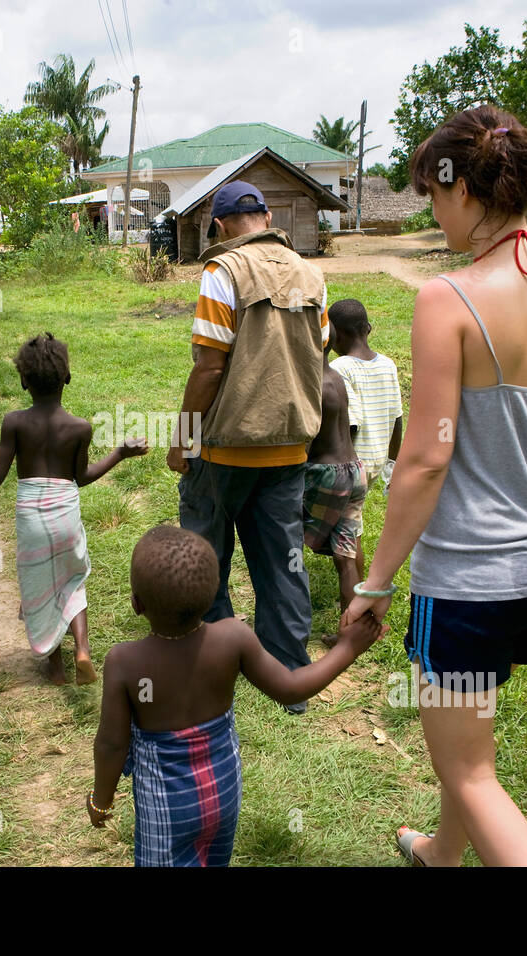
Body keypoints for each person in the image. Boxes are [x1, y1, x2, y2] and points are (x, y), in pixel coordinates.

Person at [340, 105, 527, 866]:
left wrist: (377, 581)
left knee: (469, 767)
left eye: (432, 192)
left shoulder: (446, 300)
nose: (432, 209)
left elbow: (423, 461)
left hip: (471, 587)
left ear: (463, 191)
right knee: (472, 734)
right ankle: (440, 854)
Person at [86, 525, 384, 866]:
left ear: (137, 604)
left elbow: (111, 744)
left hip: (166, 805)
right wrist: (348, 648)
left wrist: (101, 800)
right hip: (222, 791)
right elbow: (292, 688)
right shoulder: (233, 638)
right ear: (213, 592)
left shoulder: (125, 662)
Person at [166, 180, 329, 714]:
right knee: (282, 561)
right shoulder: (312, 273)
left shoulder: (222, 272)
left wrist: (183, 437)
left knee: (204, 559)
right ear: (266, 215)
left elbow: (209, 366)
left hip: (224, 449)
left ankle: (213, 665)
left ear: (219, 225)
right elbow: (318, 354)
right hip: (289, 448)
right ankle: (288, 679)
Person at [0, 333, 147, 684]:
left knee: (39, 587)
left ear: (23, 380)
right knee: (73, 580)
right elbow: (82, 477)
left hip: (32, 520)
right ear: (67, 377)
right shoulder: (80, 427)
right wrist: (120, 453)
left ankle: (54, 666)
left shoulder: (15, 422)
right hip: (66, 516)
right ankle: (82, 648)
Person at [328, 298, 403, 591]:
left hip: (352, 464)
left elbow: (349, 425)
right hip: (377, 460)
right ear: (368, 328)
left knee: (348, 539)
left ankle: (357, 597)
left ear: (334, 334)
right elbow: (397, 419)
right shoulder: (388, 364)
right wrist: (391, 465)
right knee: (348, 524)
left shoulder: (341, 367)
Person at [303, 323, 368, 624]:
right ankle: (351, 629)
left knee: (286, 533)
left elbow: (306, 440)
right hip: (355, 471)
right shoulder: (336, 377)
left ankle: (290, 614)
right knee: (345, 555)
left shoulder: (311, 383)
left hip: (326, 474)